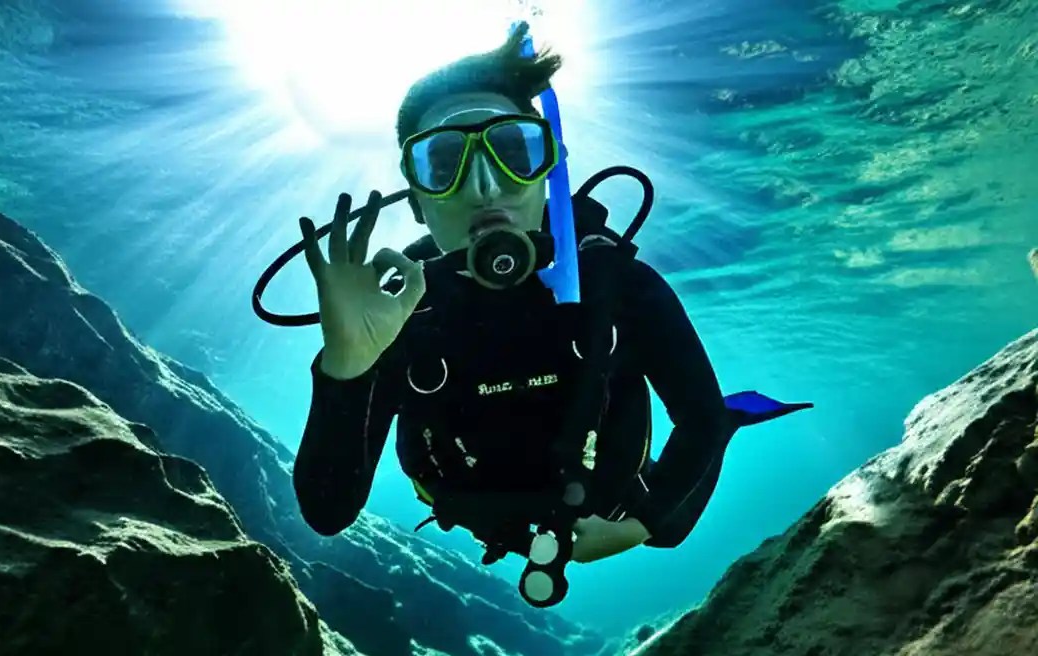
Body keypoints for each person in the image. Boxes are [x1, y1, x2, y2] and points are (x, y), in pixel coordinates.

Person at [290, 24, 807, 580]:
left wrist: (643, 523)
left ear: (550, 173)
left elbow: (697, 419)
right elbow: (328, 512)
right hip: (490, 518)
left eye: (514, 150)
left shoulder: (619, 287)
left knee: (670, 535)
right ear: (417, 202)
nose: (486, 186)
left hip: (610, 495)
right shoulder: (399, 319)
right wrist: (346, 366)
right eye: (444, 164)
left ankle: (739, 416)